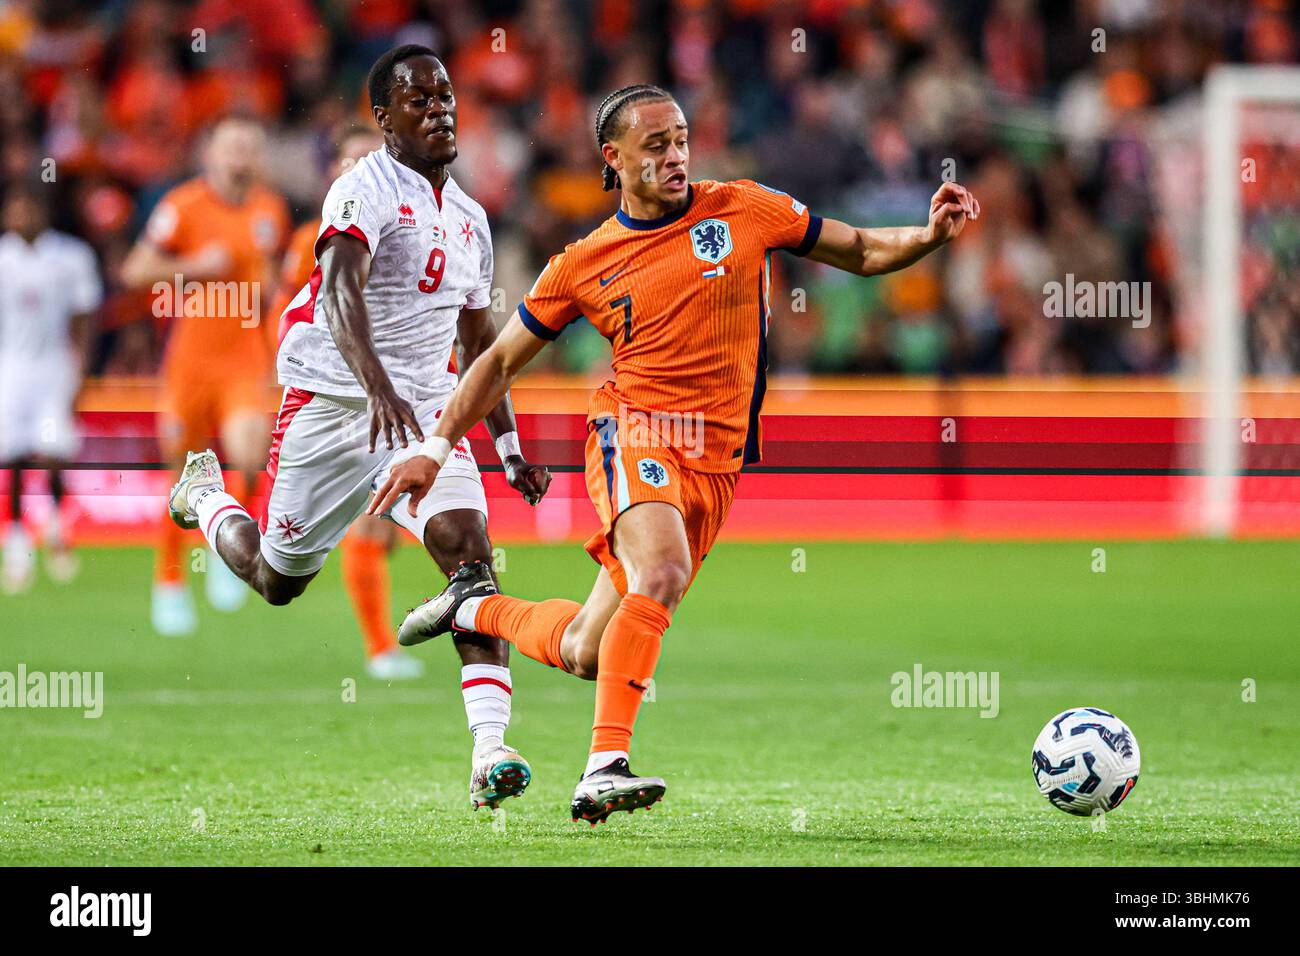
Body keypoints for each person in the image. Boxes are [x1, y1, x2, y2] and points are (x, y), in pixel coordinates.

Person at [371, 83, 980, 824]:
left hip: (717, 463)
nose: (675, 156)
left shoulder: (744, 208)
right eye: (655, 145)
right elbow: (497, 361)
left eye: (682, 140)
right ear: (614, 158)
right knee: (661, 571)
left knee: (588, 650)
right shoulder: (584, 262)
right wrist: (435, 448)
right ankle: (604, 767)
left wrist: (928, 236)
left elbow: (857, 248)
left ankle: (475, 607)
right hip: (633, 431)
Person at [165, 46, 552, 810]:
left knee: (471, 557)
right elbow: (341, 293)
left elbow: (481, 346)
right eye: (419, 100)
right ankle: (205, 497)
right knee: (277, 580)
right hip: (334, 404)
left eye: (445, 96)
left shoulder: (471, 218)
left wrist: (508, 447)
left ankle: (490, 751)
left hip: (424, 413)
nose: (439, 110)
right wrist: (377, 389)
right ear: (384, 118)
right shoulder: (362, 188)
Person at [122, 116, 290, 635]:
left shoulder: (270, 209)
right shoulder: (181, 207)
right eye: (230, 146)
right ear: (210, 154)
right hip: (190, 364)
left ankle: (226, 547)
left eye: (248, 147)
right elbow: (134, 270)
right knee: (182, 476)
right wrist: (195, 265)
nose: (240, 156)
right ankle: (169, 580)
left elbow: (269, 282)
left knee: (249, 458)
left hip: (244, 360)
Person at [269, 121, 422, 681]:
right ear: (334, 170)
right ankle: (380, 648)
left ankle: (386, 645)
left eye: (374, 158)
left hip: (400, 394)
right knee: (360, 526)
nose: (366, 170)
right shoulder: (317, 237)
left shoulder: (412, 231)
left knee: (385, 527)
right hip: (335, 397)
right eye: (353, 160)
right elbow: (290, 310)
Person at [0, 185, 103, 592]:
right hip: (10, 368)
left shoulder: (70, 257)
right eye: (14, 209)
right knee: (13, 456)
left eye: (27, 208)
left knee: (54, 451)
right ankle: (16, 536)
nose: (20, 216)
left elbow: (85, 316)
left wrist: (80, 370)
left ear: (41, 212)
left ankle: (57, 523)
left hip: (54, 366)